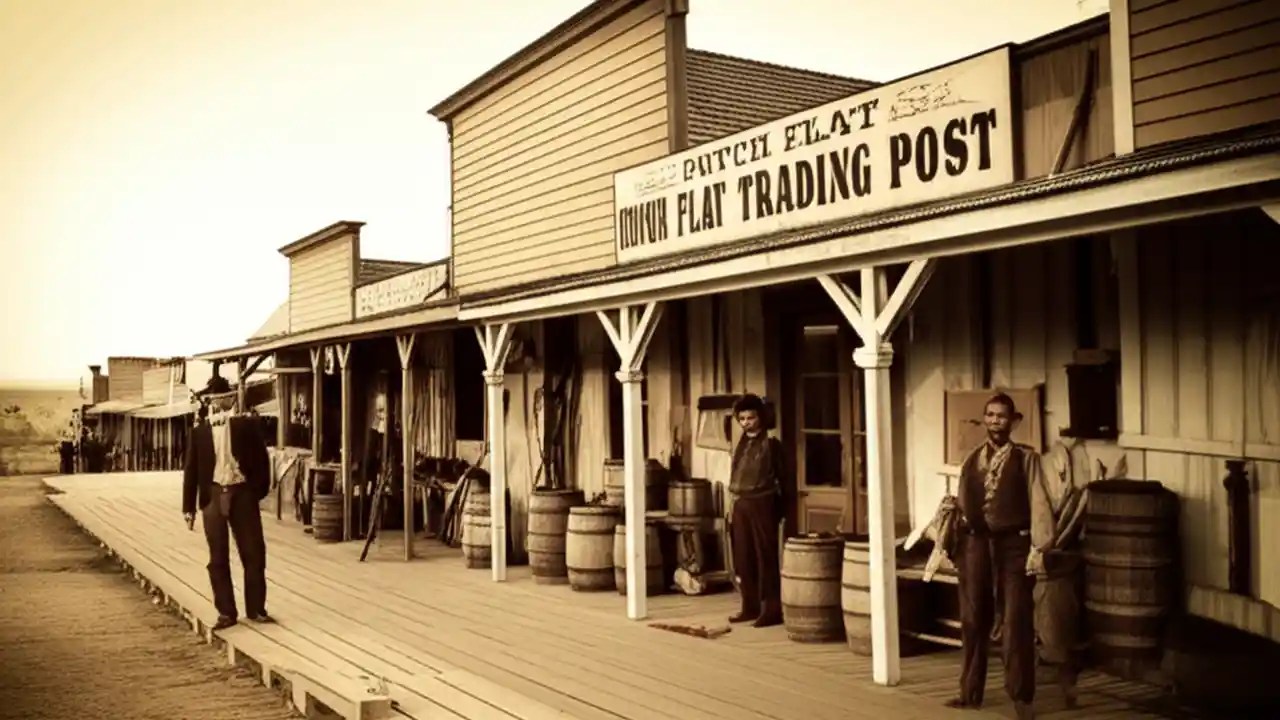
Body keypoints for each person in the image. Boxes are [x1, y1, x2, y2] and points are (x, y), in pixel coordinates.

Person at [946, 393, 1049, 720]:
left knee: (1016, 620)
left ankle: (1022, 698)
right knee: (973, 618)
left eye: (1001, 416)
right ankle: (969, 692)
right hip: (976, 546)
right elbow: (963, 503)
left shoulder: (1027, 459)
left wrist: (1039, 548)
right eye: (990, 415)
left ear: (1013, 421)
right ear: (984, 419)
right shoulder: (971, 460)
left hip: (1014, 546)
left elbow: (1040, 504)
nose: (995, 421)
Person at [183, 382, 272, 630]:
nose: (218, 404)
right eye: (214, 399)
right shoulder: (199, 432)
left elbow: (262, 460)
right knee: (217, 557)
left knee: (253, 552)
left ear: (231, 399)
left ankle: (256, 609)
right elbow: (191, 469)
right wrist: (188, 507)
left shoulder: (246, 425)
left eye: (223, 399)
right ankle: (226, 612)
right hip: (212, 494)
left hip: (242, 492)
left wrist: (256, 492)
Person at [727, 393, 788, 628]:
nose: (746, 423)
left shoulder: (771, 443)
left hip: (763, 503)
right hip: (741, 503)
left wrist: (780, 511)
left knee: (765, 557)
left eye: (750, 418)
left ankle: (771, 609)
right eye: (741, 419)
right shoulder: (740, 444)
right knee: (744, 556)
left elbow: (783, 479)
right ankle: (749, 605)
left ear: (760, 417)